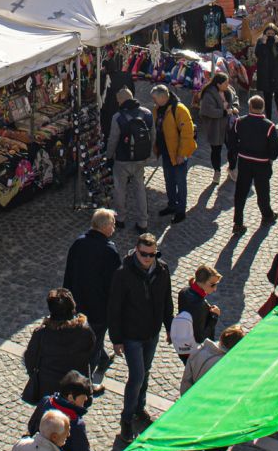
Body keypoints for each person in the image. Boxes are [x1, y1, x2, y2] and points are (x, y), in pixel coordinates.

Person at [106, 233, 172, 440]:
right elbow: (114, 308)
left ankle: (139, 408)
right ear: (136, 250)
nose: (148, 258)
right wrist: (116, 339)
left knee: (146, 371)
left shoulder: (162, 270)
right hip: (132, 335)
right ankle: (126, 418)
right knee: (136, 376)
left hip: (152, 332)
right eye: (144, 254)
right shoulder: (123, 274)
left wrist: (170, 326)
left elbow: (166, 300)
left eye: (152, 254)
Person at [181, 325, 247, 451]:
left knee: (212, 443)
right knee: (221, 441)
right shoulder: (224, 365)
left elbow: (187, 379)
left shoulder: (199, 351)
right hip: (211, 411)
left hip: (193, 405)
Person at [63, 209, 120, 378]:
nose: (114, 228)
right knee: (93, 343)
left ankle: (103, 359)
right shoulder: (109, 251)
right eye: (113, 224)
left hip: (78, 303)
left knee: (91, 338)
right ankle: (85, 382)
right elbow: (115, 284)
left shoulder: (78, 243)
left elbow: (69, 273)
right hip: (98, 308)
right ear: (105, 226)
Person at [23, 289, 96, 402]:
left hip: (47, 388)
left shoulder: (41, 334)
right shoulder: (85, 331)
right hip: (75, 388)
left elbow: (30, 359)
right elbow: (91, 353)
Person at [104, 88, 154, 234]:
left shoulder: (118, 117)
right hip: (140, 158)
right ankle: (143, 221)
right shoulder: (147, 113)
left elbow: (113, 139)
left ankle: (120, 218)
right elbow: (153, 135)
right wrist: (148, 154)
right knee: (140, 189)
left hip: (122, 159)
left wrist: (109, 156)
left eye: (118, 100)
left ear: (121, 100)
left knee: (120, 189)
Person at [228, 95, 278, 232]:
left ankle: (238, 222)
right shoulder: (269, 126)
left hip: (244, 161)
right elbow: (274, 149)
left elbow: (231, 141)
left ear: (250, 107)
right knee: (263, 192)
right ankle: (267, 215)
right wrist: (269, 158)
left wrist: (239, 151)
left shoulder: (239, 122)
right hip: (262, 164)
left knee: (240, 193)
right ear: (262, 108)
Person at [29, 372, 96, 451]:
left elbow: (32, 426)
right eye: (83, 396)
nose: (86, 399)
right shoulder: (75, 424)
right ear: (70, 397)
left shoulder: (46, 401)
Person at [151, 84, 196, 222]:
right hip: (166, 152)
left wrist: (182, 154)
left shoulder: (180, 110)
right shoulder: (157, 109)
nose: (153, 101)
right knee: (169, 180)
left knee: (180, 182)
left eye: (155, 98)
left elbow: (187, 134)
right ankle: (172, 205)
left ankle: (181, 211)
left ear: (163, 97)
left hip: (178, 153)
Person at [168, 265, 220, 364]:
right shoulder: (199, 305)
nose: (215, 289)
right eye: (212, 285)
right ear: (201, 282)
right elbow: (201, 338)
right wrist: (214, 316)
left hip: (183, 345)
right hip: (194, 353)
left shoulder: (184, 292)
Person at [196, 72, 237, 175]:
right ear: (218, 84)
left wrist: (235, 106)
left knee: (233, 148)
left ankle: (232, 168)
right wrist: (223, 112)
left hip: (229, 126)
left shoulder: (228, 91)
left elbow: (235, 99)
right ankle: (217, 171)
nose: (228, 85)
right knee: (216, 151)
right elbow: (207, 110)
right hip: (216, 127)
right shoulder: (208, 94)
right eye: (225, 83)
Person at [254, 23, 278, 126]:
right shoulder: (260, 42)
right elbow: (258, 55)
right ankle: (268, 119)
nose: (270, 35)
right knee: (267, 98)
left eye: (272, 33)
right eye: (268, 33)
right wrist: (264, 43)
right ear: (264, 34)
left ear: (276, 34)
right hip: (265, 74)